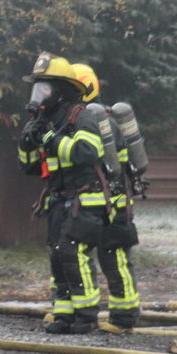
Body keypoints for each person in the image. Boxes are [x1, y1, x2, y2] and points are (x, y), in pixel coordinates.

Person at [17, 52, 111, 334]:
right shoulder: (48, 123)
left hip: (86, 199)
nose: (39, 95)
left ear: (61, 90)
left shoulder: (81, 117)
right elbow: (30, 167)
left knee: (72, 253)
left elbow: (87, 151)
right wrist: (27, 141)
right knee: (57, 256)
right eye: (37, 88)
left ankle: (86, 316)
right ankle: (64, 315)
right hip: (60, 201)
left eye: (45, 88)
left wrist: (49, 139)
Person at [71, 63, 141, 331]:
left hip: (113, 202)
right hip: (106, 202)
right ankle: (115, 315)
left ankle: (124, 318)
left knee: (115, 259)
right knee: (104, 257)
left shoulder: (101, 123)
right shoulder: (92, 119)